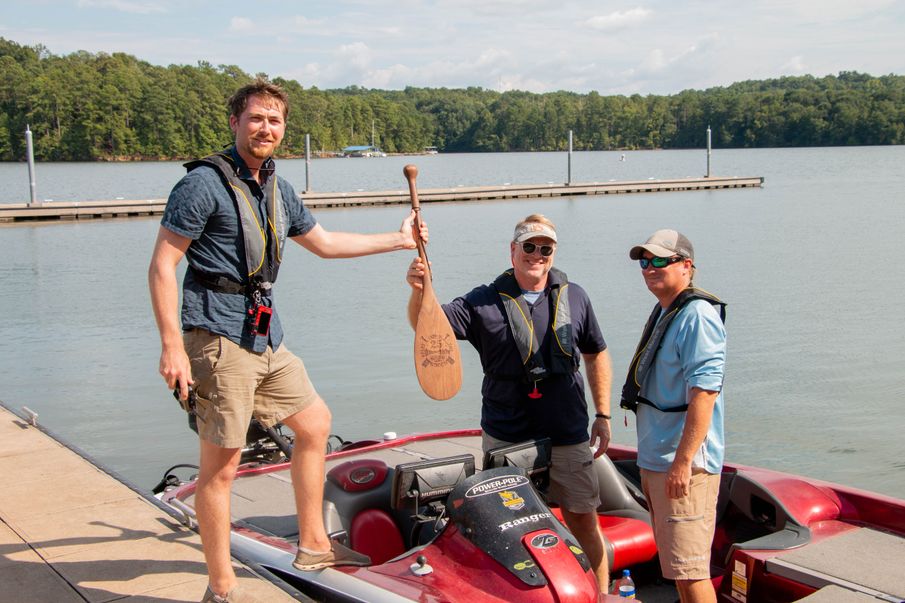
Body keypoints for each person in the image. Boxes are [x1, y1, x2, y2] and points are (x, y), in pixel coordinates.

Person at [149, 79, 425, 603]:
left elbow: (322, 243)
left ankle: (315, 545)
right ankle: (223, 588)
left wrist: (399, 240)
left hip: (264, 335)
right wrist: (171, 347)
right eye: (256, 118)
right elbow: (163, 265)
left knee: (315, 423)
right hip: (216, 336)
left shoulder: (277, 185)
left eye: (274, 120)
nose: (266, 128)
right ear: (235, 123)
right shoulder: (202, 185)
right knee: (221, 468)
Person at [405, 214, 612, 588]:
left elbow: (597, 354)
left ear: (553, 253)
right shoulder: (481, 301)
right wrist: (419, 289)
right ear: (513, 251)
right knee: (511, 528)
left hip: (568, 432)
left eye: (545, 248)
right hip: (507, 436)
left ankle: (598, 593)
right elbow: (427, 326)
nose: (537, 254)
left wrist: (603, 414)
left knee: (583, 519)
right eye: (529, 246)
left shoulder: (576, 296)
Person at [621, 229, 727, 603]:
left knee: (693, 572)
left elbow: (705, 393)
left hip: (684, 468)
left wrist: (683, 463)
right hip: (659, 461)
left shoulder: (696, 316)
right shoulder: (669, 310)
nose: (650, 268)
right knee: (679, 573)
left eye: (661, 260)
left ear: (687, 266)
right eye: (645, 261)